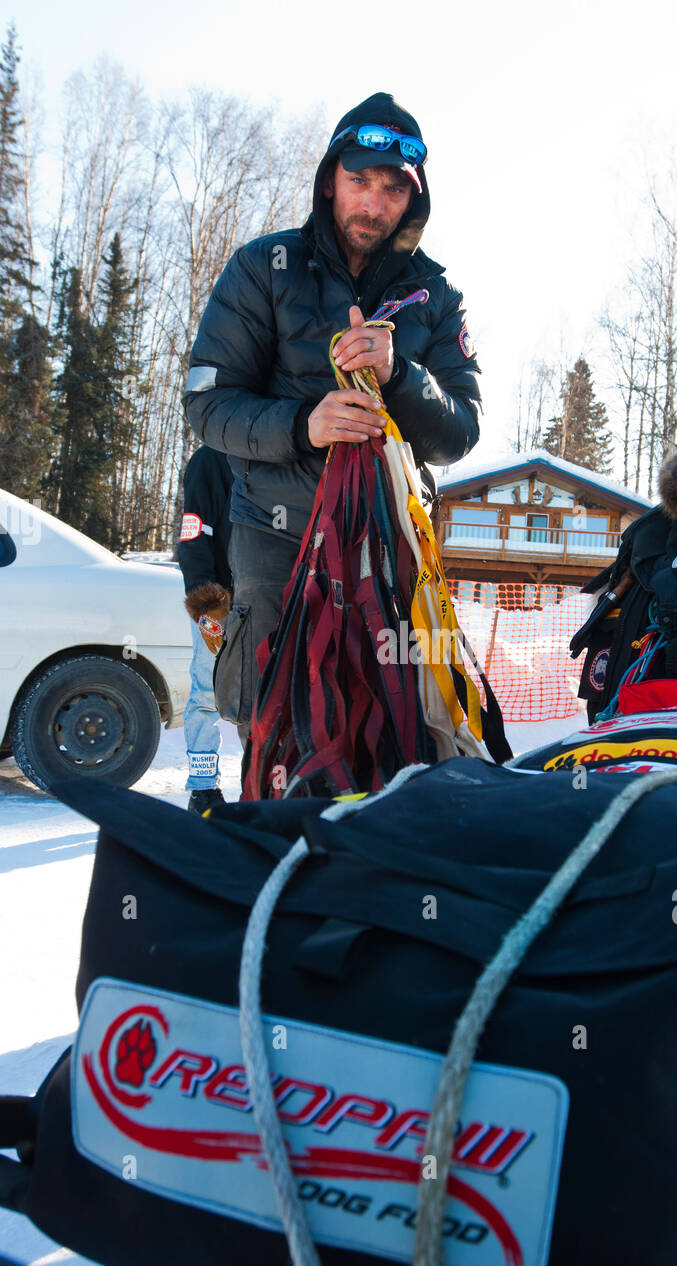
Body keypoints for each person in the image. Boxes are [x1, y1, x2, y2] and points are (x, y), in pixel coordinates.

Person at [182, 91, 481, 744]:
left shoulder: (436, 298)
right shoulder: (262, 268)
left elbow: (458, 432)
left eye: (391, 189)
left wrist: (401, 376)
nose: (373, 204)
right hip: (278, 547)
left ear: (414, 199)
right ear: (329, 181)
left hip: (394, 557)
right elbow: (206, 406)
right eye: (358, 181)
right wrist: (302, 425)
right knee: (280, 739)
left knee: (400, 741)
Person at [176, 444, 233, 813]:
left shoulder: (275, 450)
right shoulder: (210, 459)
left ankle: (266, 775)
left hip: (269, 598)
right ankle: (202, 787)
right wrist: (207, 606)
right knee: (205, 697)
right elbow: (194, 534)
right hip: (219, 602)